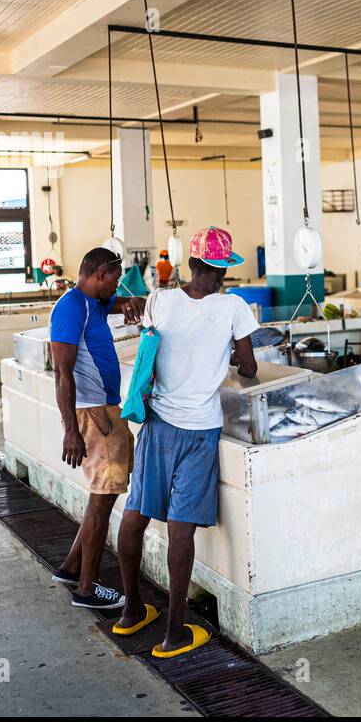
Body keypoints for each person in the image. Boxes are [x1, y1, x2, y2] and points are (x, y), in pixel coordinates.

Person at [114, 227, 258, 657]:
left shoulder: (160, 299)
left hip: (157, 422)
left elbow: (151, 349)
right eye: (220, 270)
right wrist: (233, 356)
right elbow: (249, 369)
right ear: (213, 269)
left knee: (136, 511)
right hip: (199, 429)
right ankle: (174, 632)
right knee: (181, 528)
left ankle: (131, 611)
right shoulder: (234, 307)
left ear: (189, 264)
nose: (219, 278)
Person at [48, 247, 146, 609]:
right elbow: (62, 373)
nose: (117, 287)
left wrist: (132, 300)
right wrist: (70, 429)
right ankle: (87, 588)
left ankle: (72, 568)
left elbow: (121, 303)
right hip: (94, 416)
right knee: (102, 502)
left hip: (104, 411)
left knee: (99, 498)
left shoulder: (94, 304)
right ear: (101, 273)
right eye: (116, 279)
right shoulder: (71, 307)